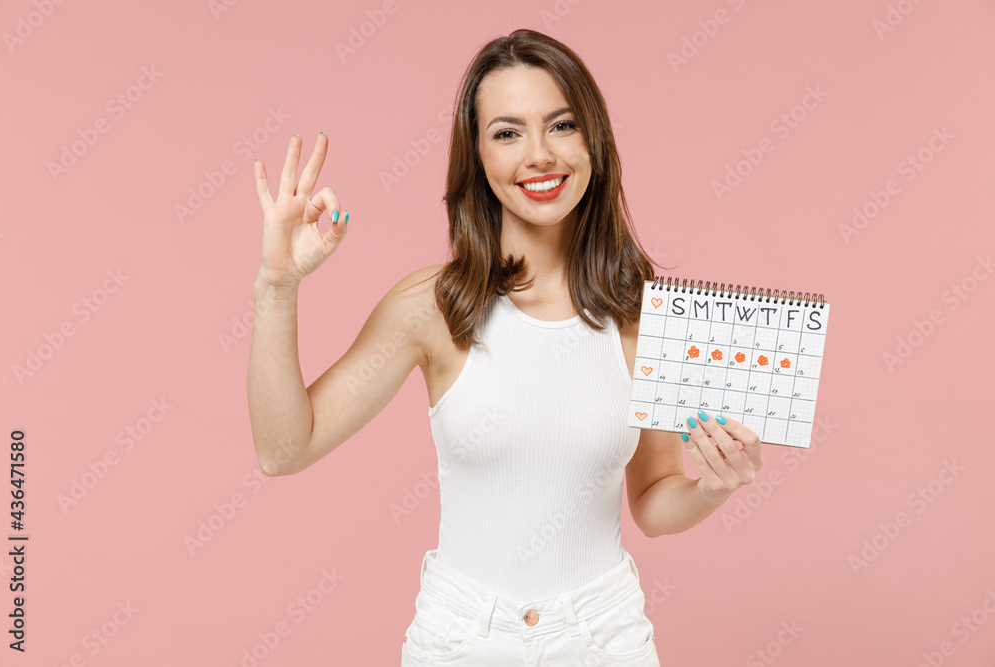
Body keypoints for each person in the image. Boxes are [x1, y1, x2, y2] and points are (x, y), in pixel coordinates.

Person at [247, 28, 764, 667]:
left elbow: (655, 501)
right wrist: (277, 287)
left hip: (602, 640)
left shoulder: (643, 313)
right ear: (478, 159)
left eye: (562, 125)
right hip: (460, 639)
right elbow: (282, 450)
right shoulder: (432, 307)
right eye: (507, 132)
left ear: (594, 141)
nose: (539, 155)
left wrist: (716, 486)